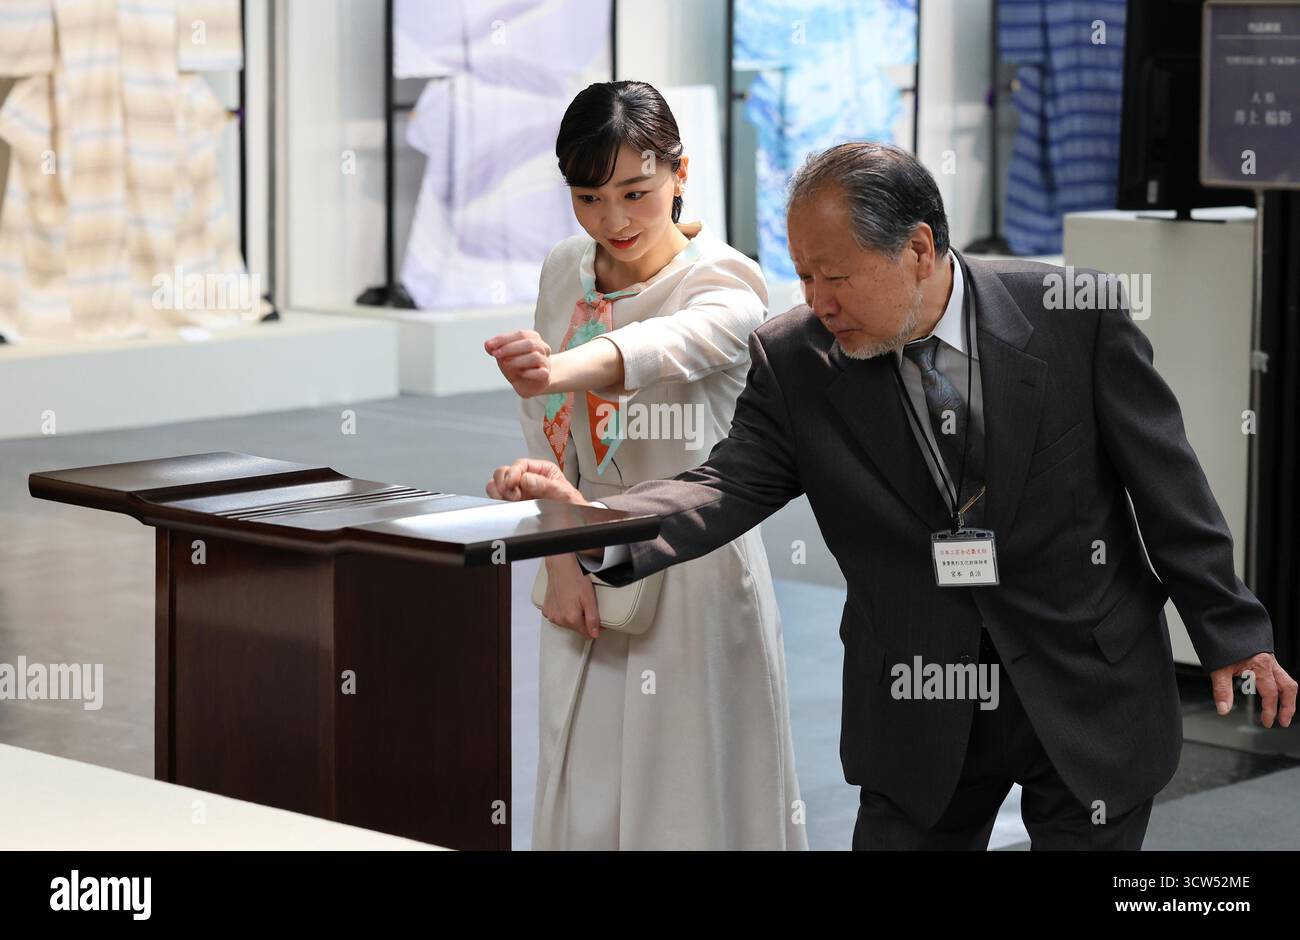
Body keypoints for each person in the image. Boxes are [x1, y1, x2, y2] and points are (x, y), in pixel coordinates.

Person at [488, 141, 1297, 850]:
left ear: (917, 249)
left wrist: (1228, 627)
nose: (816, 302)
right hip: (915, 699)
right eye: (803, 275)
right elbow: (721, 486)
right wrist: (587, 526)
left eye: (834, 277)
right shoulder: (795, 359)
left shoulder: (1070, 316)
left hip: (1083, 681)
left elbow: (1168, 483)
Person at [483, 81, 806, 850]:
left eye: (637, 192)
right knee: (583, 782)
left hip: (693, 563)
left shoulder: (726, 281)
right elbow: (546, 434)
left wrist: (555, 369)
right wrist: (559, 556)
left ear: (680, 173)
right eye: (589, 198)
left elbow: (663, 350)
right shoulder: (567, 267)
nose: (614, 221)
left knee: (689, 794)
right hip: (583, 559)